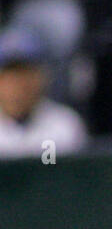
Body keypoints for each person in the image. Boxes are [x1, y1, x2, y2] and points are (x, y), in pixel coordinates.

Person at [0, 27, 86, 158]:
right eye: (12, 73)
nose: (20, 83)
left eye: (27, 72)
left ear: (43, 76)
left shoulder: (65, 124)